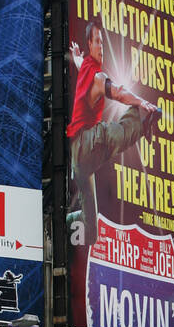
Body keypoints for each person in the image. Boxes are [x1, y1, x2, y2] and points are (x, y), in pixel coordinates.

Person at [67, 16, 161, 247]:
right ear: (90, 44)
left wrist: (78, 58)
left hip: (80, 164)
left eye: (102, 43)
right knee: (114, 133)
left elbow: (81, 66)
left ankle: (63, 219)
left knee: (91, 232)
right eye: (97, 42)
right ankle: (142, 119)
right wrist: (142, 104)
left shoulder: (86, 69)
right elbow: (118, 92)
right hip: (85, 143)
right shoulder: (98, 77)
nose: (102, 48)